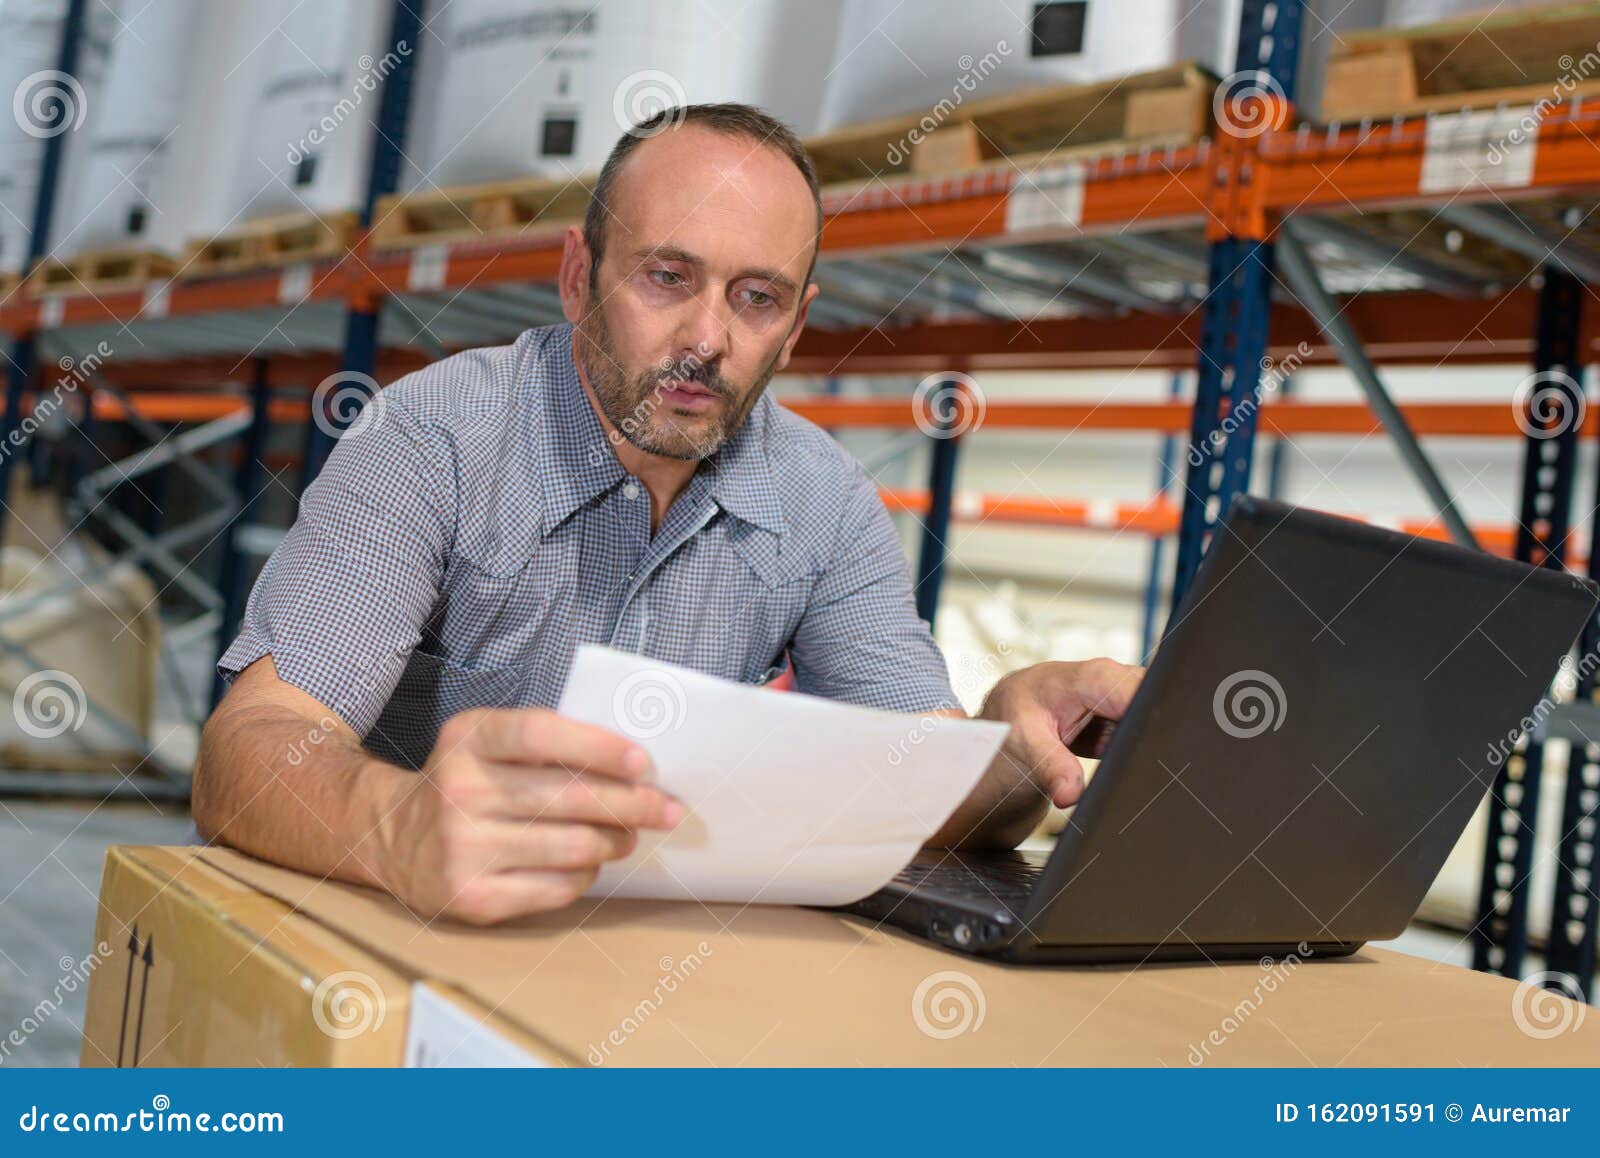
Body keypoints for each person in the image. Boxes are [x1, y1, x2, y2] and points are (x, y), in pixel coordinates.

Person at [194, 103, 1144, 925]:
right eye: (667, 277)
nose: (707, 339)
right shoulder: (433, 442)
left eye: (756, 298)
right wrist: (398, 827)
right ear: (578, 276)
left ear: (797, 323)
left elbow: (924, 787)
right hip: (410, 939)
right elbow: (249, 748)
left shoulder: (826, 502)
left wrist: (1012, 748)